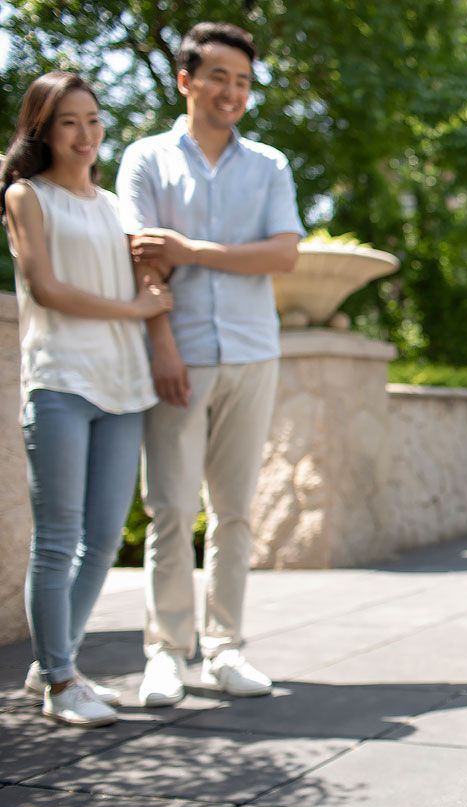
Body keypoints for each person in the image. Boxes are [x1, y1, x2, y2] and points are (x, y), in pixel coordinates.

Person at [116, 22, 304, 707]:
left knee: (234, 512)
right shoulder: (145, 159)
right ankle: (165, 652)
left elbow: (282, 254)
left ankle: (225, 648)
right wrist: (162, 345)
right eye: (220, 76)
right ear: (185, 79)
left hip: (255, 350)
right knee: (167, 506)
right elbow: (141, 260)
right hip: (180, 352)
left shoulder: (269, 165)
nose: (232, 91)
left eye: (244, 81)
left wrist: (189, 248)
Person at [2, 72, 173, 727]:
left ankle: (56, 662)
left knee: (102, 538)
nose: (85, 133)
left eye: (93, 119)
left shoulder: (113, 207)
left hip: (123, 387)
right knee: (57, 540)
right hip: (61, 383)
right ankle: (60, 677)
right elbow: (44, 288)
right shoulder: (27, 197)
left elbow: (151, 277)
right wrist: (132, 306)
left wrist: (155, 299)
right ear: (42, 130)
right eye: (69, 121)